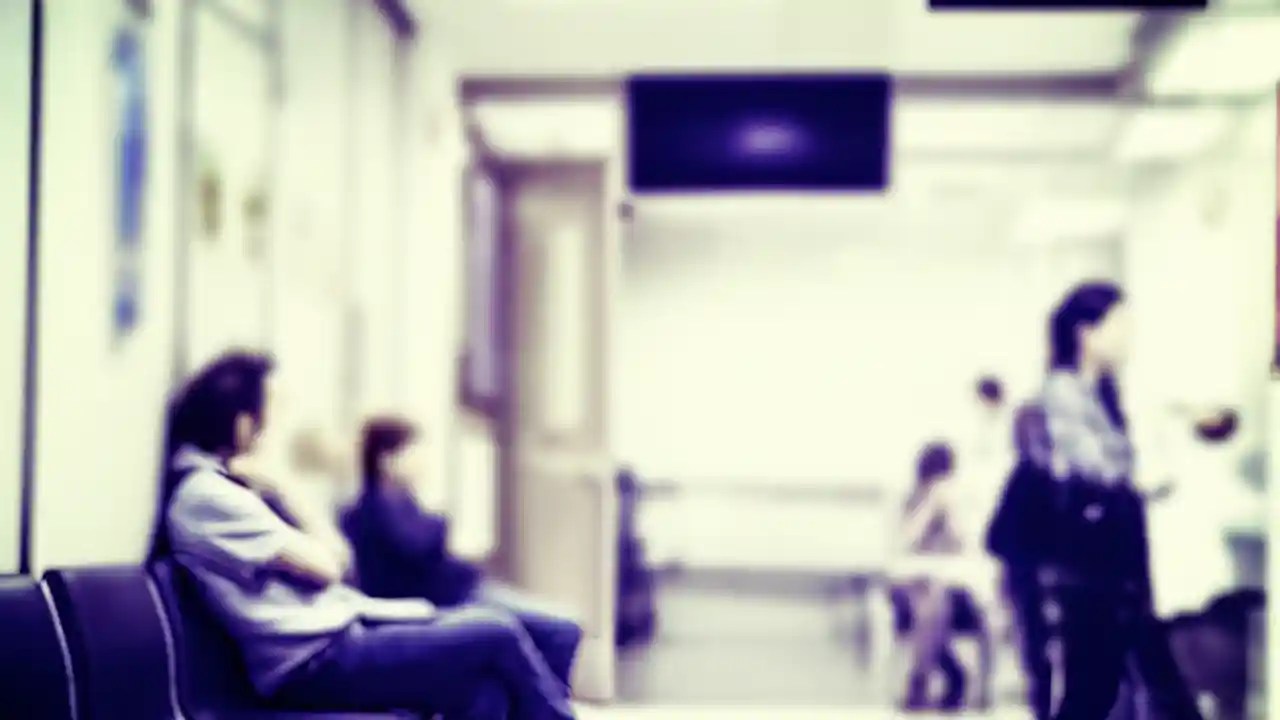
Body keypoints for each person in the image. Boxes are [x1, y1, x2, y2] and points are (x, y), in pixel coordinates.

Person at [148, 351, 575, 720]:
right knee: (495, 629)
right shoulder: (208, 496)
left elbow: (338, 557)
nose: (276, 430)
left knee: (484, 694)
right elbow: (329, 567)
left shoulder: (225, 489)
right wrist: (285, 485)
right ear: (244, 425)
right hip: (313, 662)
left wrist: (281, 489)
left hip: (335, 641)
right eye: (272, 414)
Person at [1035, 282, 1203, 720]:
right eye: (1119, 326)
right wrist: (1144, 469)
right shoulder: (1063, 390)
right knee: (1109, 686)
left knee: (1101, 688)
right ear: (1086, 332)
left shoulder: (1105, 393)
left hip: (1115, 559)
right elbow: (1096, 465)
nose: (1128, 338)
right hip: (1092, 564)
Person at [343, 416, 582, 693]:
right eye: (413, 452)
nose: (422, 461)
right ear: (387, 460)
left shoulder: (401, 502)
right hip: (447, 601)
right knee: (561, 630)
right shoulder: (375, 509)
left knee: (563, 626)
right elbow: (417, 550)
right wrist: (440, 522)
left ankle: (540, 702)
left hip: (463, 591)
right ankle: (547, 706)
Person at [894, 441, 981, 712]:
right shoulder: (912, 501)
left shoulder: (955, 503)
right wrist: (930, 506)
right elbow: (907, 541)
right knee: (930, 600)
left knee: (934, 602)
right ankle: (949, 673)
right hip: (912, 583)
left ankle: (920, 679)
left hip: (949, 585)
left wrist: (950, 509)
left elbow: (963, 544)